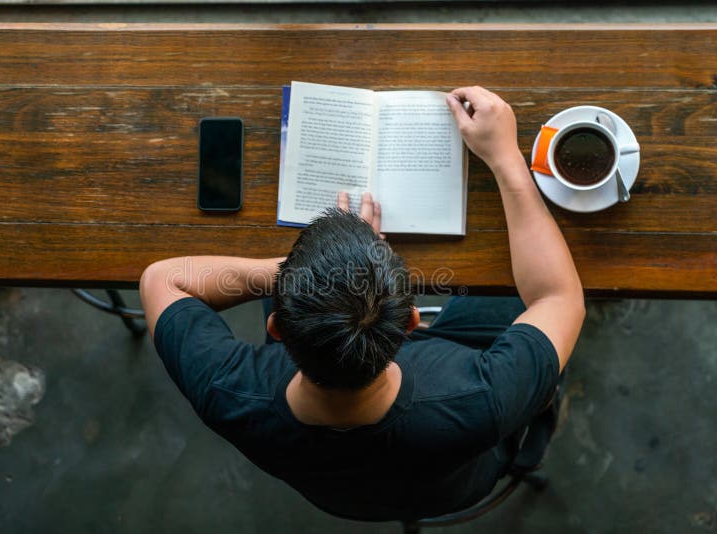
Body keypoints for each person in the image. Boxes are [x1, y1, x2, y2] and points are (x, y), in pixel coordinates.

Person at [139, 86, 585, 521]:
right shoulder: (480, 396)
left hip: (344, 499)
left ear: (278, 328)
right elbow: (558, 296)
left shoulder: (231, 395)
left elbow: (163, 279)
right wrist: (506, 157)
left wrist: (305, 279)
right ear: (412, 324)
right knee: (515, 291)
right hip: (460, 482)